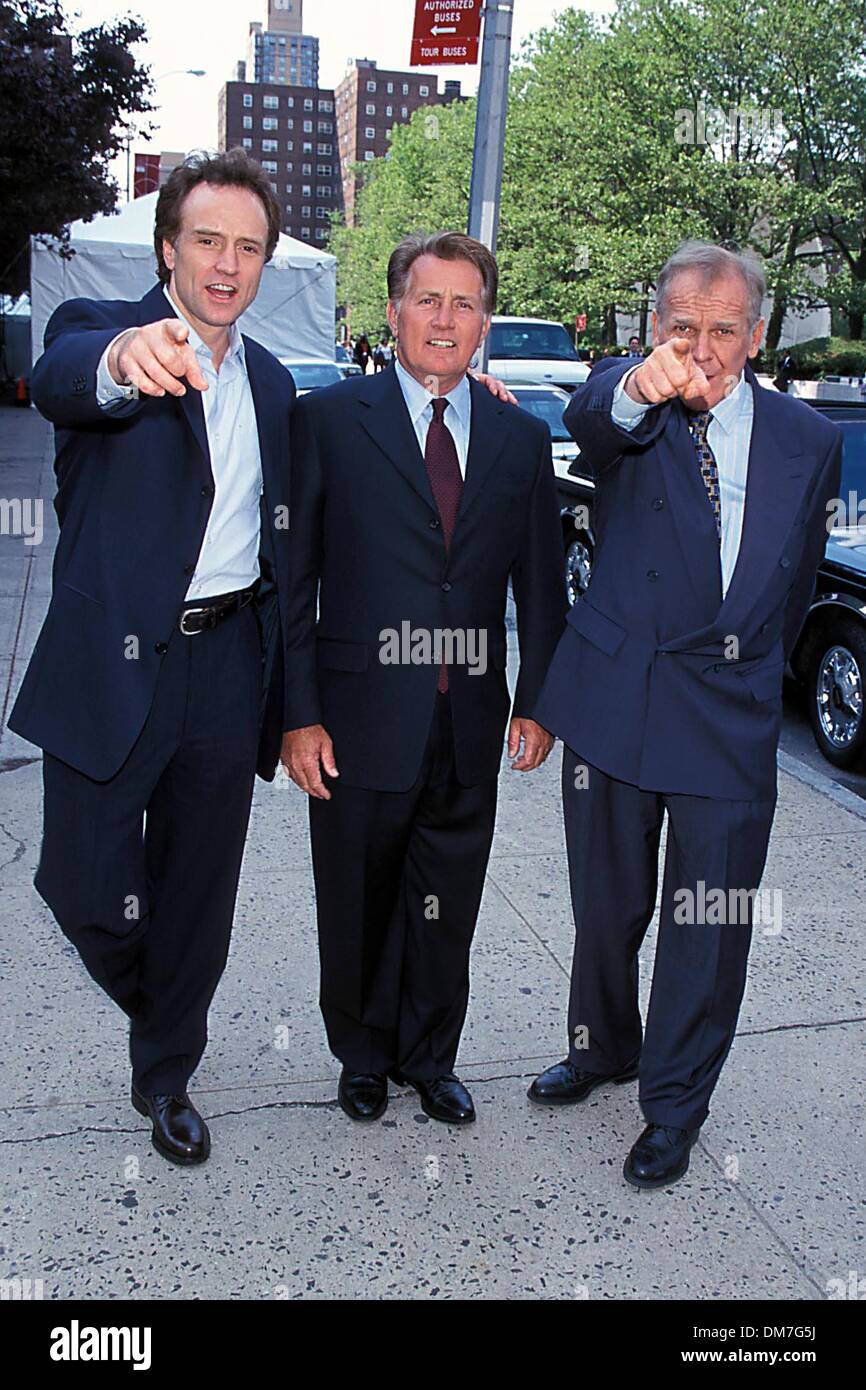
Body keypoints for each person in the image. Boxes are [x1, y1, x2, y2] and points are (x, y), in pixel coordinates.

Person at [530, 240, 842, 1188]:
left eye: (721, 329)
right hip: (619, 698)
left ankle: (674, 1105)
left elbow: (793, 583)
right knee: (608, 903)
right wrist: (637, 383)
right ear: (653, 329)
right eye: (681, 327)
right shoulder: (633, 407)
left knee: (707, 921)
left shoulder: (809, 439)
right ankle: (601, 1049)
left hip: (730, 710)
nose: (701, 349)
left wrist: (751, 669)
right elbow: (596, 416)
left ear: (756, 334)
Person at [8, 149, 296, 1167]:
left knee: (199, 888)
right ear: (169, 246)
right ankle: (161, 993)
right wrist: (130, 358)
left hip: (226, 668)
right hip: (110, 662)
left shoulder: (268, 382)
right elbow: (64, 377)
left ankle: (167, 1066)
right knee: (80, 885)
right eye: (208, 240)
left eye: (248, 246)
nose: (227, 263)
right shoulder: (94, 333)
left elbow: (286, 548)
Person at [282, 231, 565, 1126]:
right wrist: (299, 714)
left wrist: (537, 702)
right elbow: (294, 582)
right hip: (357, 717)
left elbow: (541, 584)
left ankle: (430, 1056)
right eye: (429, 300)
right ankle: (362, 1055)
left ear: (486, 319)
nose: (447, 320)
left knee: (449, 896)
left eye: (466, 303)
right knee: (359, 896)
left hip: (468, 715)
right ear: (395, 311)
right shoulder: (327, 421)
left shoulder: (521, 438)